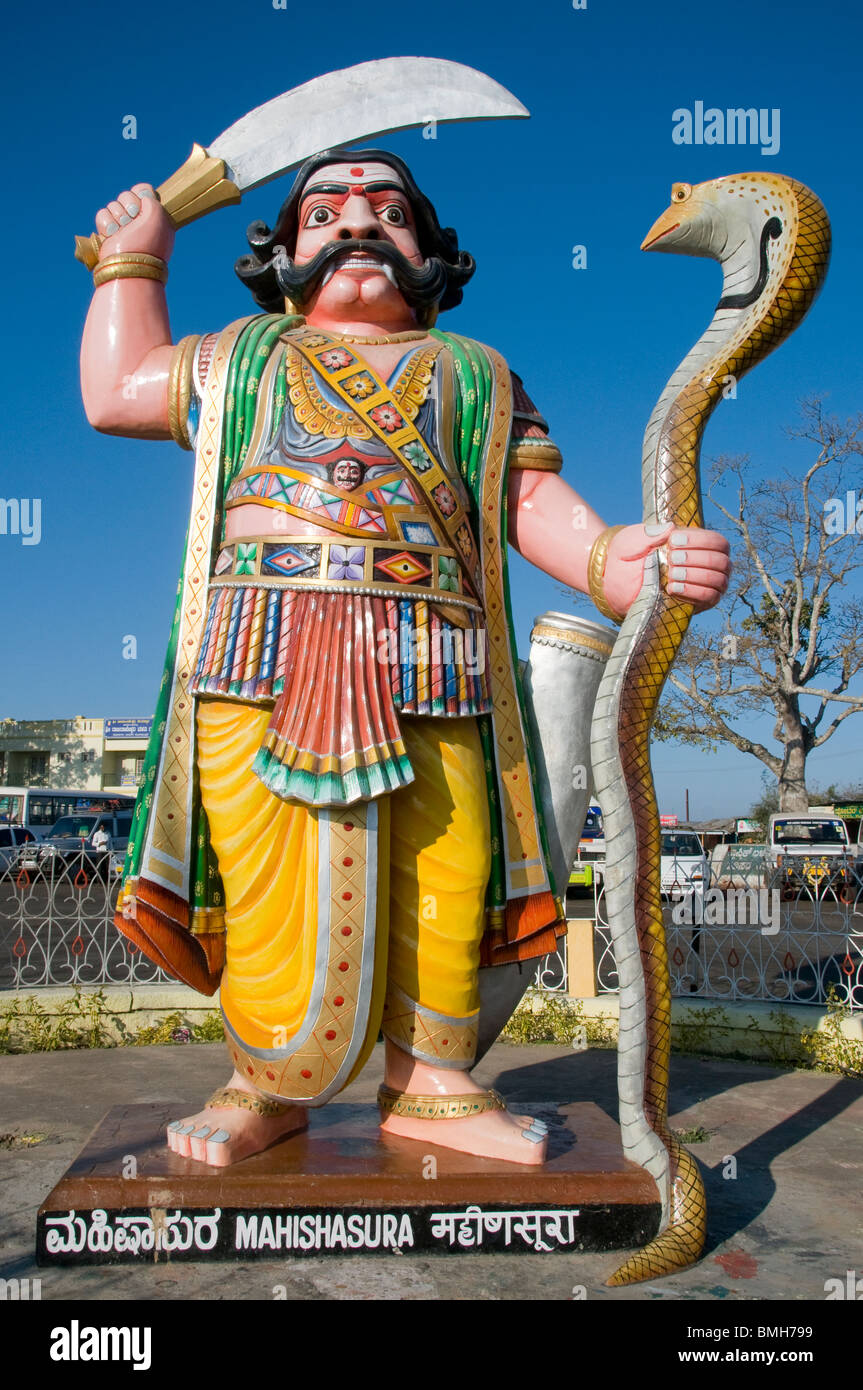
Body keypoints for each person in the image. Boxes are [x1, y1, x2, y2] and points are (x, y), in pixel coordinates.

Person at [80, 149, 730, 1167]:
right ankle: (264, 1080)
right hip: (260, 644)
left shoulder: (474, 373)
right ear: (281, 255)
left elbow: (525, 501)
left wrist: (614, 560)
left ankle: (431, 1083)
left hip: (431, 649)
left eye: (388, 212)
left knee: (446, 856)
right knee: (262, 868)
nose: (356, 226)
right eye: (324, 213)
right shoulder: (238, 357)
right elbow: (118, 391)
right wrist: (134, 261)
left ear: (431, 255)